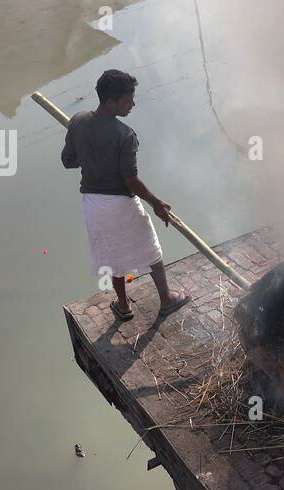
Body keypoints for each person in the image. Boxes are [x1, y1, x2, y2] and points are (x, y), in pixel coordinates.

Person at [61, 69, 190, 320]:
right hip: (122, 202)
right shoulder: (125, 135)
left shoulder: (78, 121)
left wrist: (89, 157)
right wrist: (156, 202)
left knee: (111, 255)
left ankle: (123, 306)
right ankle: (166, 299)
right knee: (151, 249)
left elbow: (68, 160)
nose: (133, 104)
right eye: (127, 100)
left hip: (94, 204)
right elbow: (130, 180)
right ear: (110, 102)